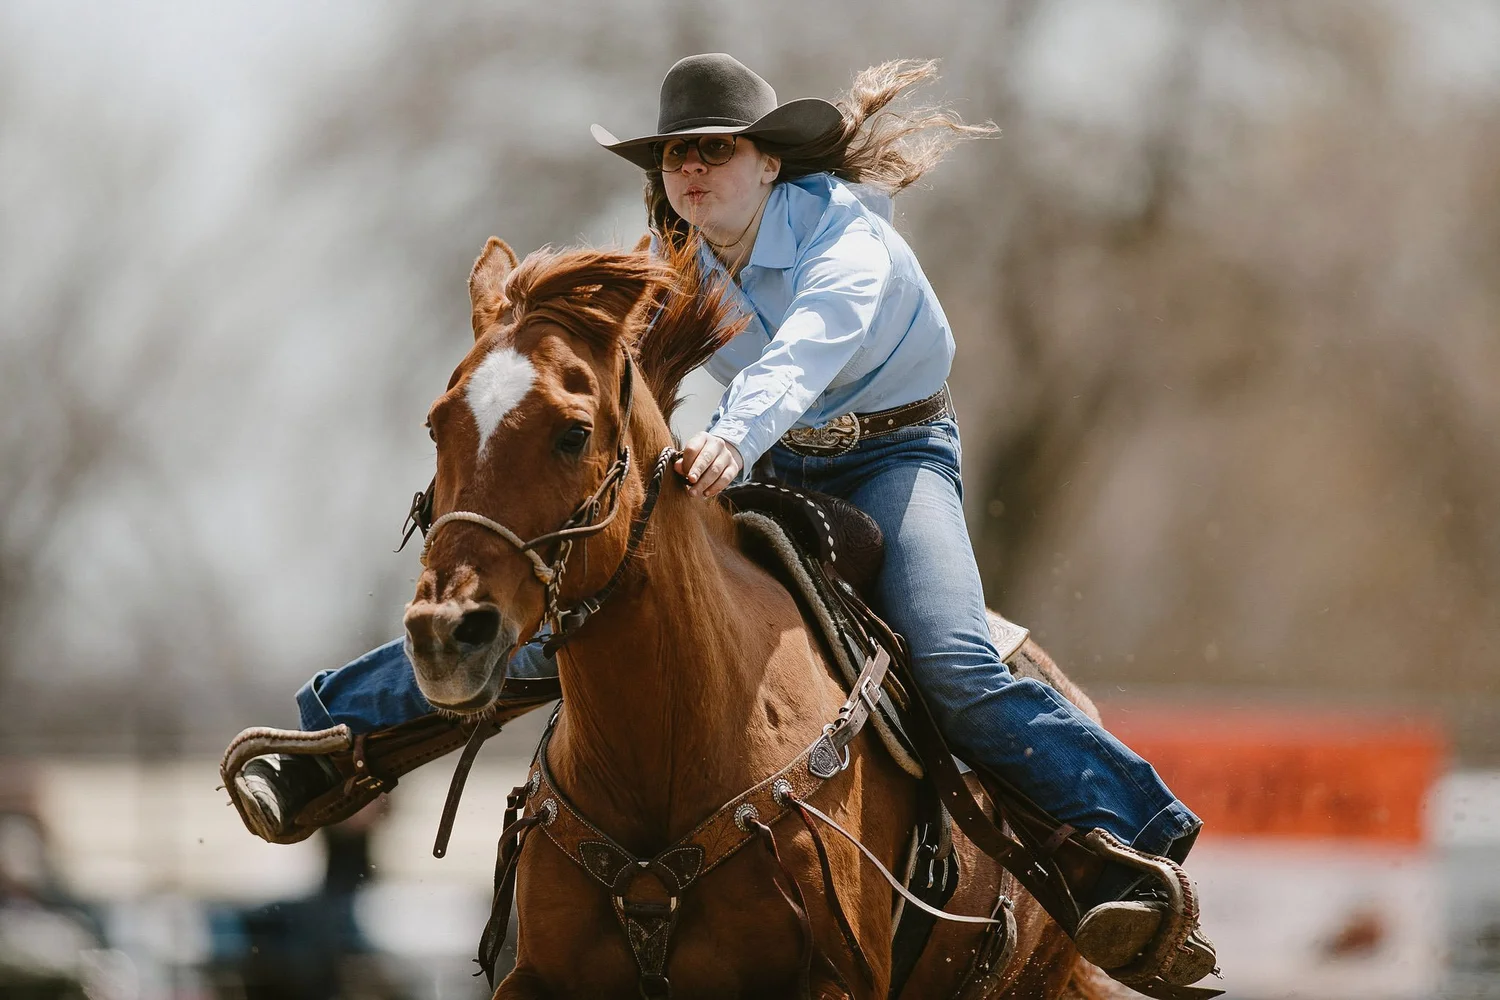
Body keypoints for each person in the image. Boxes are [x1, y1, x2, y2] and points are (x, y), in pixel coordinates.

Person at [227, 54, 1216, 991]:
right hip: (769, 458)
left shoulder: (848, 238)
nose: (691, 168)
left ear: (769, 162)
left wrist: (734, 437)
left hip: (895, 459)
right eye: (676, 154)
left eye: (715, 148)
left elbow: (807, 350)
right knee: (585, 619)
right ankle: (327, 748)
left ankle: (1132, 847)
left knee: (951, 659)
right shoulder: (678, 265)